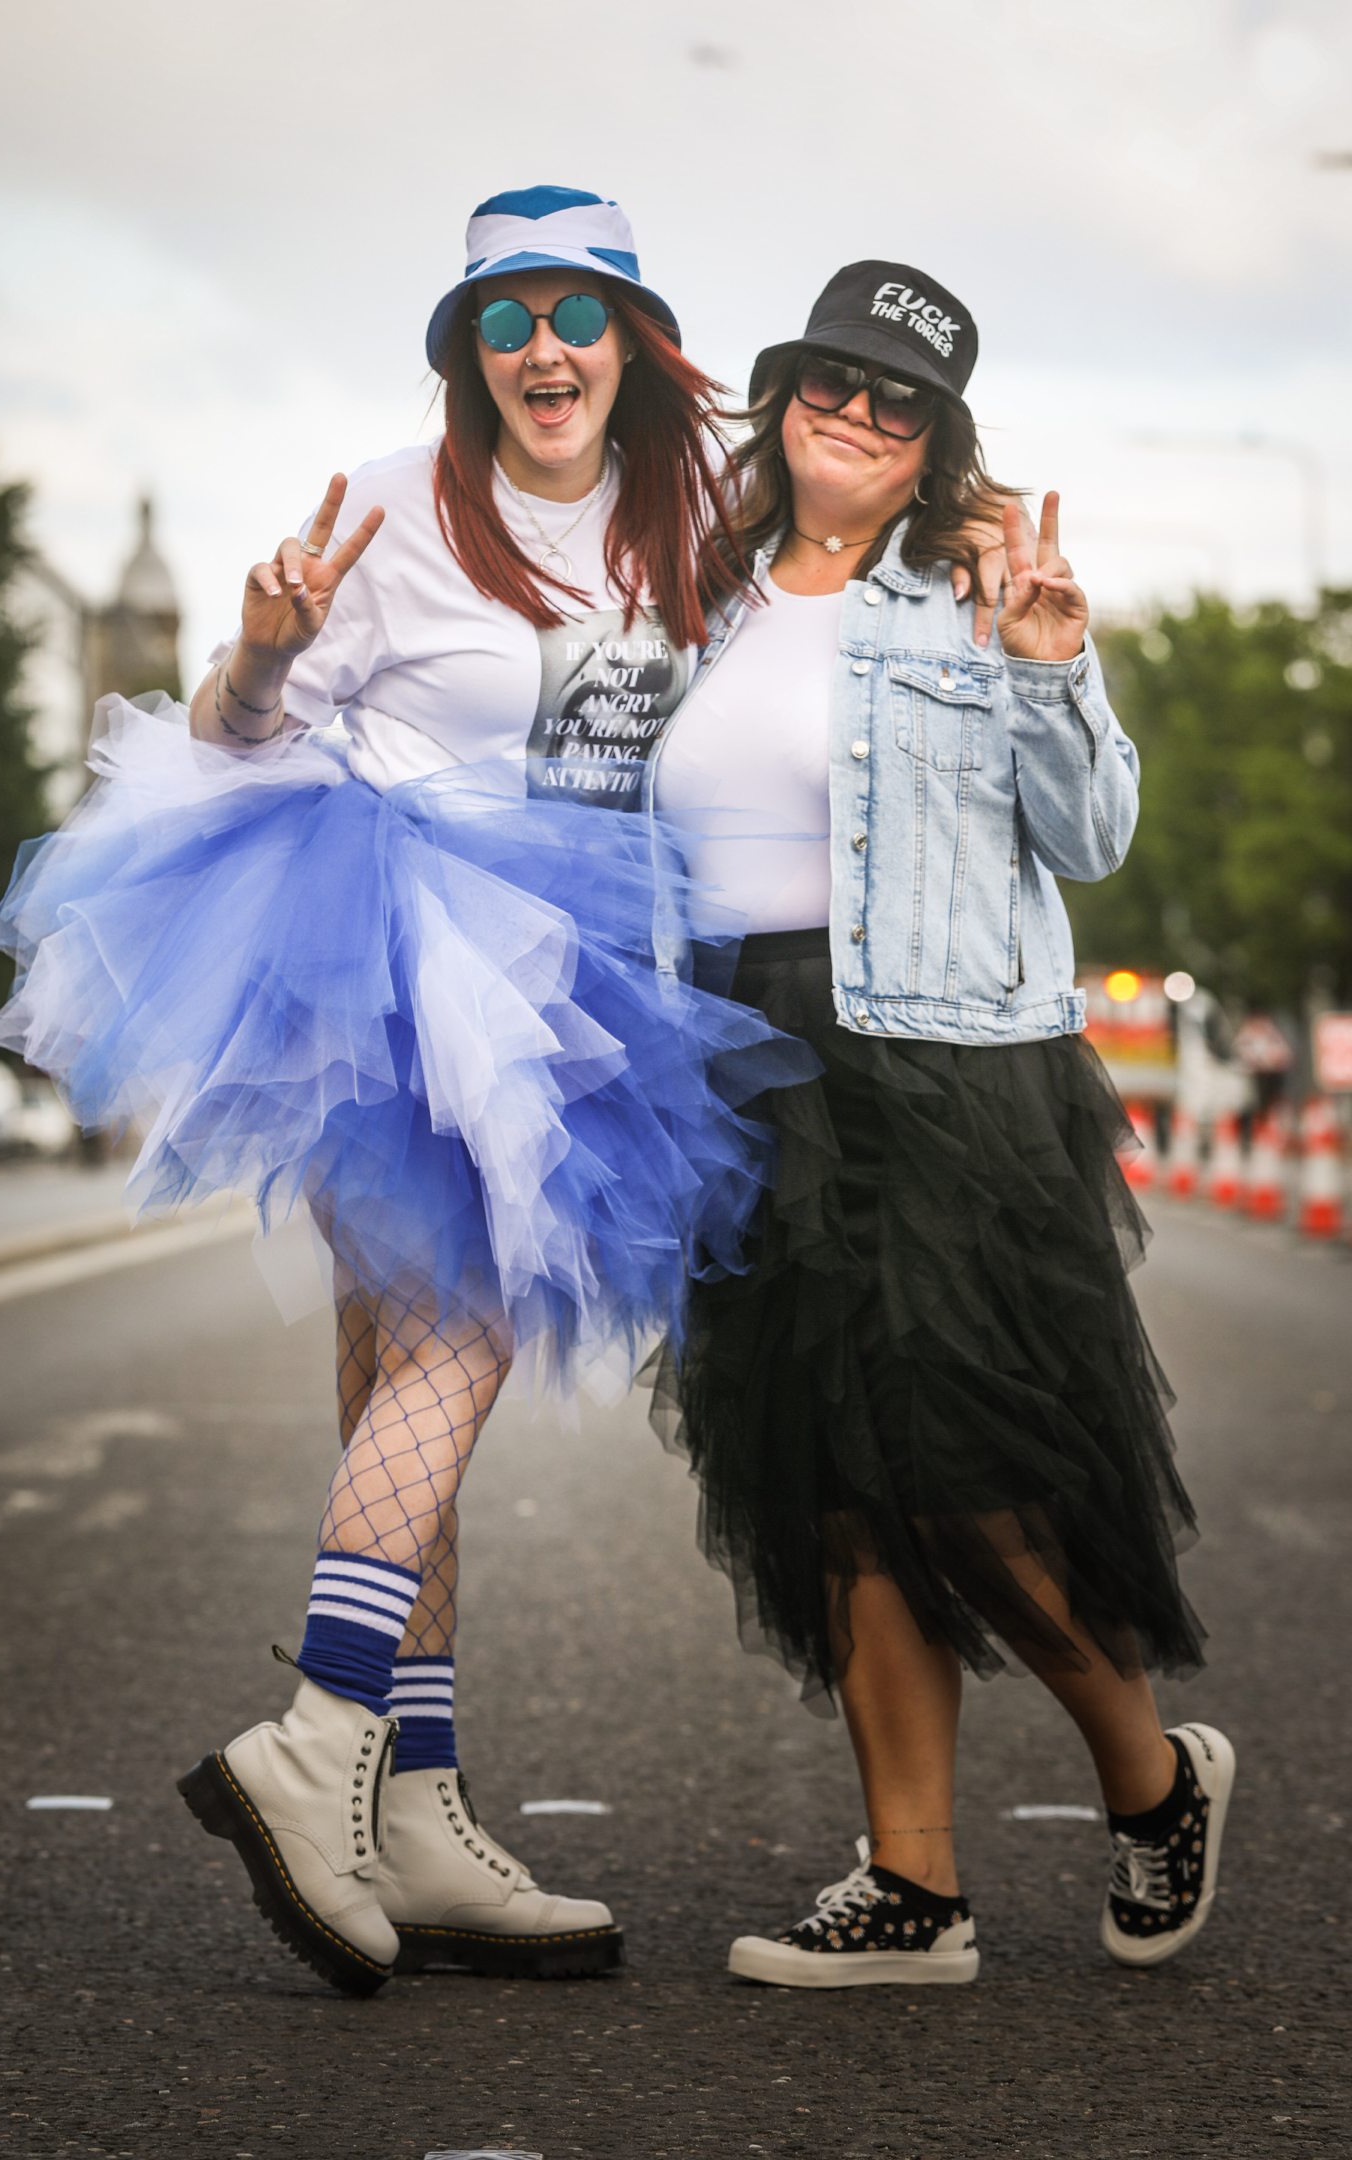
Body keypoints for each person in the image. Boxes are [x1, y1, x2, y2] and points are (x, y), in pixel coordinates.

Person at [0, 184, 818, 1994]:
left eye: (574, 312)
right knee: (461, 1343)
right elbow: (231, 732)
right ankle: (317, 1734)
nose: (542, 347)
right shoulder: (391, 500)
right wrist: (270, 650)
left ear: (631, 342)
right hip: (403, 959)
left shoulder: (693, 515)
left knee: (390, 1382)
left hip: (590, 981)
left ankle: (417, 1817)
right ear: (468, 351)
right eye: (504, 316)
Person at [646, 261, 1234, 1987]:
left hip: (941, 1060)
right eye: (832, 378)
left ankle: (1148, 1774)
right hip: (740, 1048)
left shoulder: (981, 587)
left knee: (964, 1466)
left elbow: (1096, 832)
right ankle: (914, 1884)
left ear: (934, 447)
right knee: (826, 1475)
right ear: (786, 396)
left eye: (899, 400)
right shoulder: (708, 590)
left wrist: (1053, 667)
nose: (856, 412)